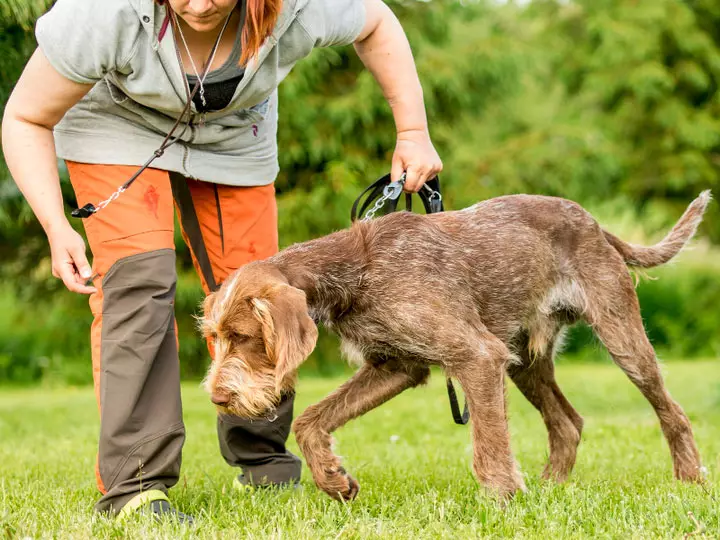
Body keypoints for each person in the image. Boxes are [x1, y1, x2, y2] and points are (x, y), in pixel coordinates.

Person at [1, 0, 443, 521]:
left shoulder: (298, 6)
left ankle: (264, 465)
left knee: (259, 292)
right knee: (137, 286)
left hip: (234, 137)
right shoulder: (104, 12)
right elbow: (25, 116)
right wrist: (56, 225)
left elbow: (375, 21)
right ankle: (135, 487)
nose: (203, 4)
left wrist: (413, 133)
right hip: (114, 129)